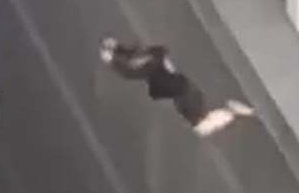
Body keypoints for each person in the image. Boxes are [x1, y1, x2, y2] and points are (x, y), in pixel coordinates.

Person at [99, 38, 255, 138]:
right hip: (180, 89)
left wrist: (113, 60)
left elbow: (130, 71)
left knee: (200, 123)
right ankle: (233, 112)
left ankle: (233, 111)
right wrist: (116, 52)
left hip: (180, 90)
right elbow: (140, 59)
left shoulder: (148, 64)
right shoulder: (151, 57)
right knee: (200, 118)